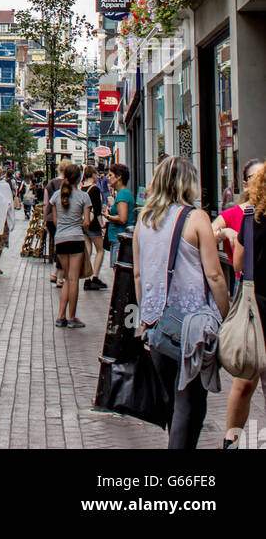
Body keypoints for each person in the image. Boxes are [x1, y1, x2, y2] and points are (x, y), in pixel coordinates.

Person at [133, 156, 229, 451]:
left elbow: (137, 273)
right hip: (191, 326)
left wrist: (146, 315)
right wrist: (225, 316)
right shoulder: (195, 217)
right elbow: (213, 274)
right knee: (190, 404)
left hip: (158, 324)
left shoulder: (144, 219)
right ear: (189, 183)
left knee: (173, 403)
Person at [222, 159, 266, 448]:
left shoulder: (250, 218)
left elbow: (238, 264)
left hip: (257, 305)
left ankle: (231, 441)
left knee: (245, 378)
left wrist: (231, 236)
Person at [49, 162, 91, 327]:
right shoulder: (83, 197)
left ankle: (61, 316)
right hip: (76, 239)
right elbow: (87, 222)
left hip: (61, 239)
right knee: (73, 280)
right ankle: (72, 317)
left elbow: (55, 220)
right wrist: (79, 225)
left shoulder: (56, 196)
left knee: (66, 278)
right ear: (79, 178)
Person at [213, 158, 264, 259]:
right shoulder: (232, 214)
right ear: (245, 185)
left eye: (263, 177)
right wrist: (224, 233)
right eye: (255, 177)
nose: (260, 182)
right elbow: (205, 238)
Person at [81, 164, 107, 291]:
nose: (98, 176)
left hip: (84, 224)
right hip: (93, 224)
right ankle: (95, 276)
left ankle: (87, 277)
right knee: (100, 250)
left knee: (88, 250)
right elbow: (97, 210)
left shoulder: (82, 188)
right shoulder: (94, 189)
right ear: (92, 175)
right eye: (96, 173)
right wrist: (102, 225)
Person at [105, 163, 135, 267]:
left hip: (120, 238)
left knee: (118, 273)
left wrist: (107, 216)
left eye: (111, 175)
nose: (108, 178)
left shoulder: (122, 194)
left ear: (119, 177)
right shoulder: (122, 193)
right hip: (118, 238)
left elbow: (122, 219)